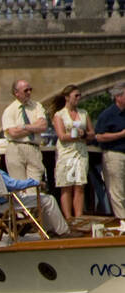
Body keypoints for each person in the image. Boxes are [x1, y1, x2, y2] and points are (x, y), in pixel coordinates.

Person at [0, 145, 69, 236]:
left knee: (41, 200)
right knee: (48, 199)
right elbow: (15, 184)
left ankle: (49, 230)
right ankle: (63, 231)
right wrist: (35, 182)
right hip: (8, 204)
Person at [52, 84, 94, 221]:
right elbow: (62, 136)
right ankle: (69, 218)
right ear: (67, 97)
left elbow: (92, 133)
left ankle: (79, 216)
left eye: (79, 95)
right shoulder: (59, 115)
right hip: (66, 153)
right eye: (76, 95)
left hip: (81, 152)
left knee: (80, 185)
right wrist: (75, 135)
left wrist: (85, 134)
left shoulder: (83, 113)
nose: (78, 98)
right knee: (67, 186)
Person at [1, 79, 48, 183]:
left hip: (33, 148)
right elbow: (13, 133)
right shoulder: (9, 110)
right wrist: (34, 128)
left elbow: (43, 125)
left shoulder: (37, 106)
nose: (29, 93)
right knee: (19, 187)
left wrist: (23, 127)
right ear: (16, 93)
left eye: (30, 90)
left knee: (35, 187)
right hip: (15, 148)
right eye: (26, 90)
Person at [94, 84, 125, 220]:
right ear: (118, 97)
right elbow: (99, 136)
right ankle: (122, 220)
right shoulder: (107, 115)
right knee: (116, 189)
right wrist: (120, 134)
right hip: (114, 155)